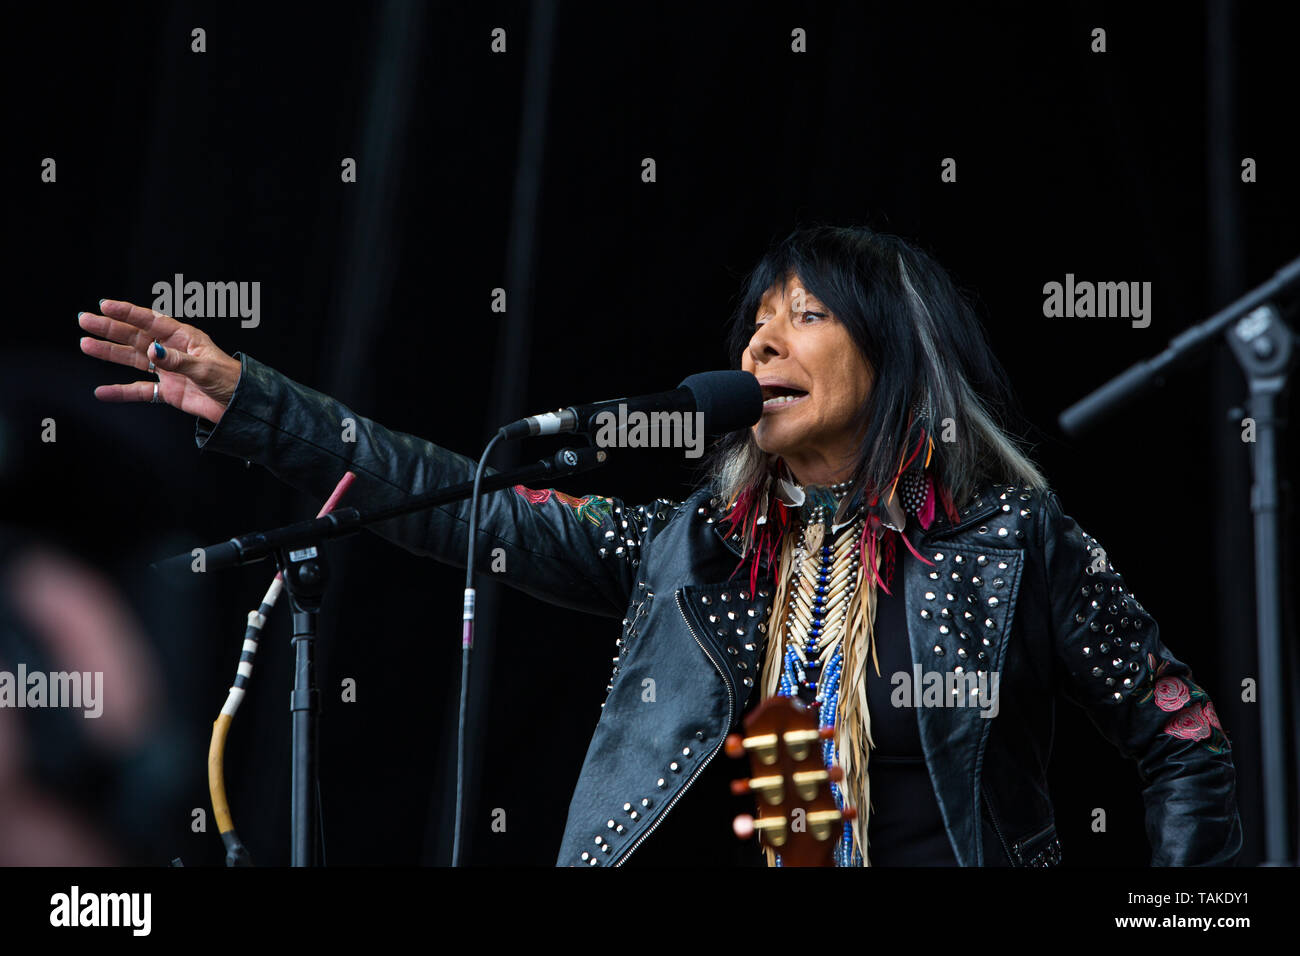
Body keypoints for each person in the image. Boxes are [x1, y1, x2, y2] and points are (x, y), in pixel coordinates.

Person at [78, 224, 1242, 866]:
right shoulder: (693, 542)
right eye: (755, 318)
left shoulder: (1006, 539)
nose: (761, 338)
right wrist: (258, 406)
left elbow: (1181, 741)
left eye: (806, 314)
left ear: (896, 355)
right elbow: (465, 502)